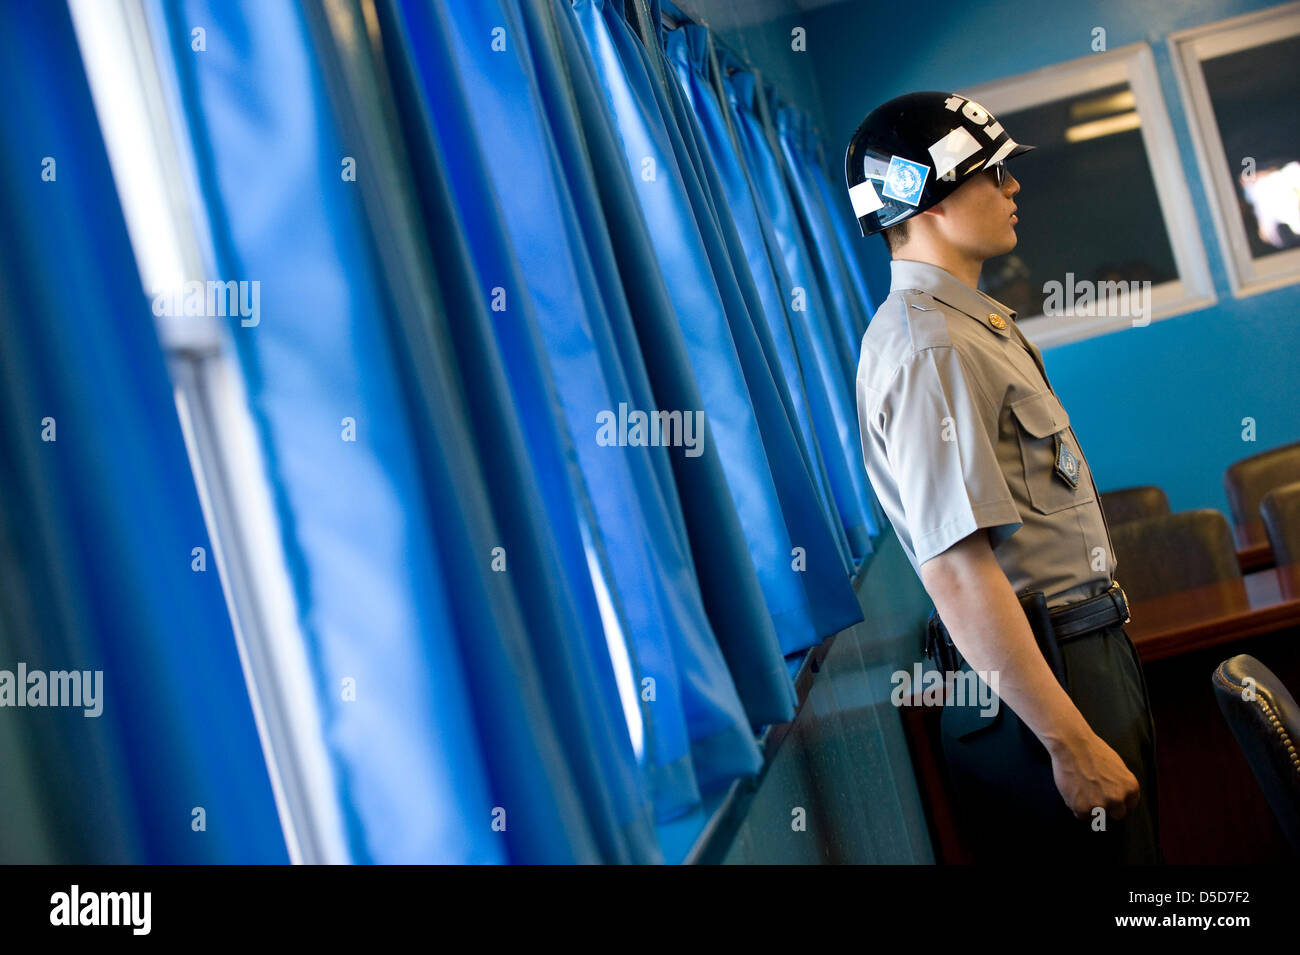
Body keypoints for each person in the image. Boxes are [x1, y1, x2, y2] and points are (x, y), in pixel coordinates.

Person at [845, 91, 1162, 864]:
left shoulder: (964, 324)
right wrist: (1069, 740)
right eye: (991, 174)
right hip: (1045, 683)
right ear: (928, 201)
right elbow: (956, 568)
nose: (1013, 188)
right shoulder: (931, 347)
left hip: (1071, 658)